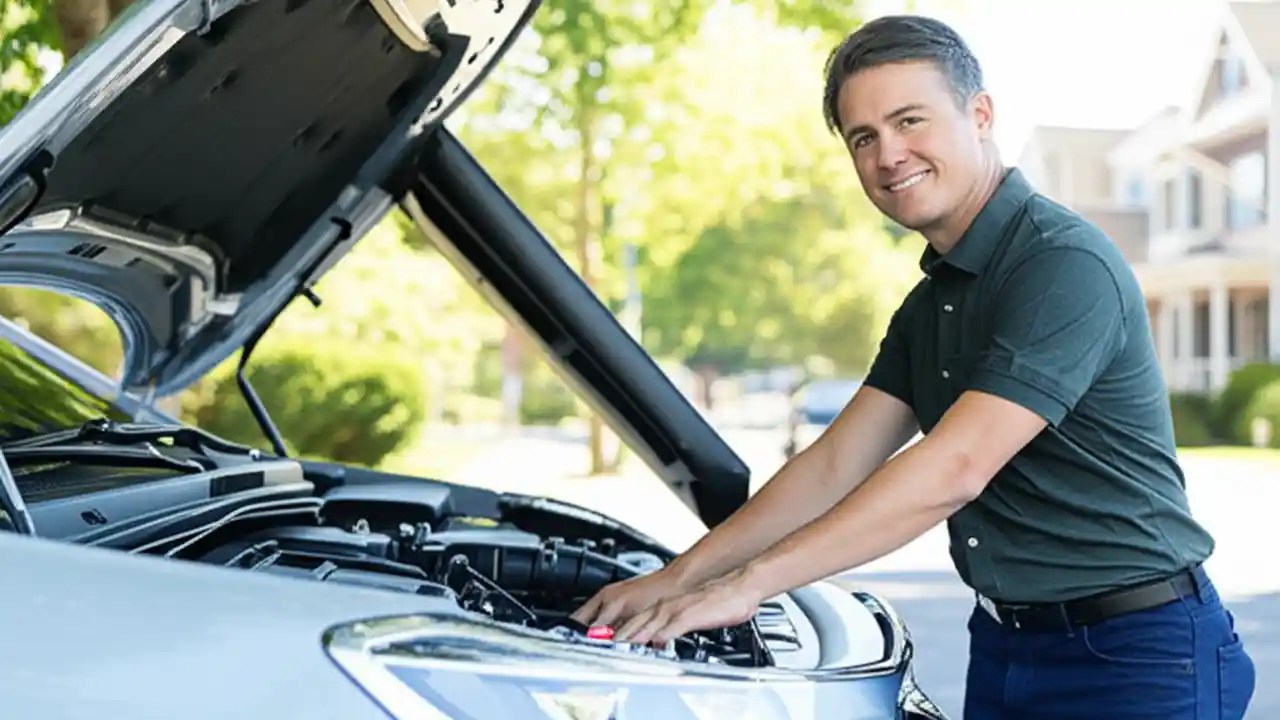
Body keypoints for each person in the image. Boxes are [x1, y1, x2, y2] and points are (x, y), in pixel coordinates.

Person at [571, 14, 1257, 719]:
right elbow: (836, 464)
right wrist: (679, 578)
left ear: (980, 114)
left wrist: (751, 585)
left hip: (1138, 656)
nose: (888, 154)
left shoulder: (1061, 265)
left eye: (910, 121)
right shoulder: (932, 303)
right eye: (863, 138)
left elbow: (954, 468)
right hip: (1006, 645)